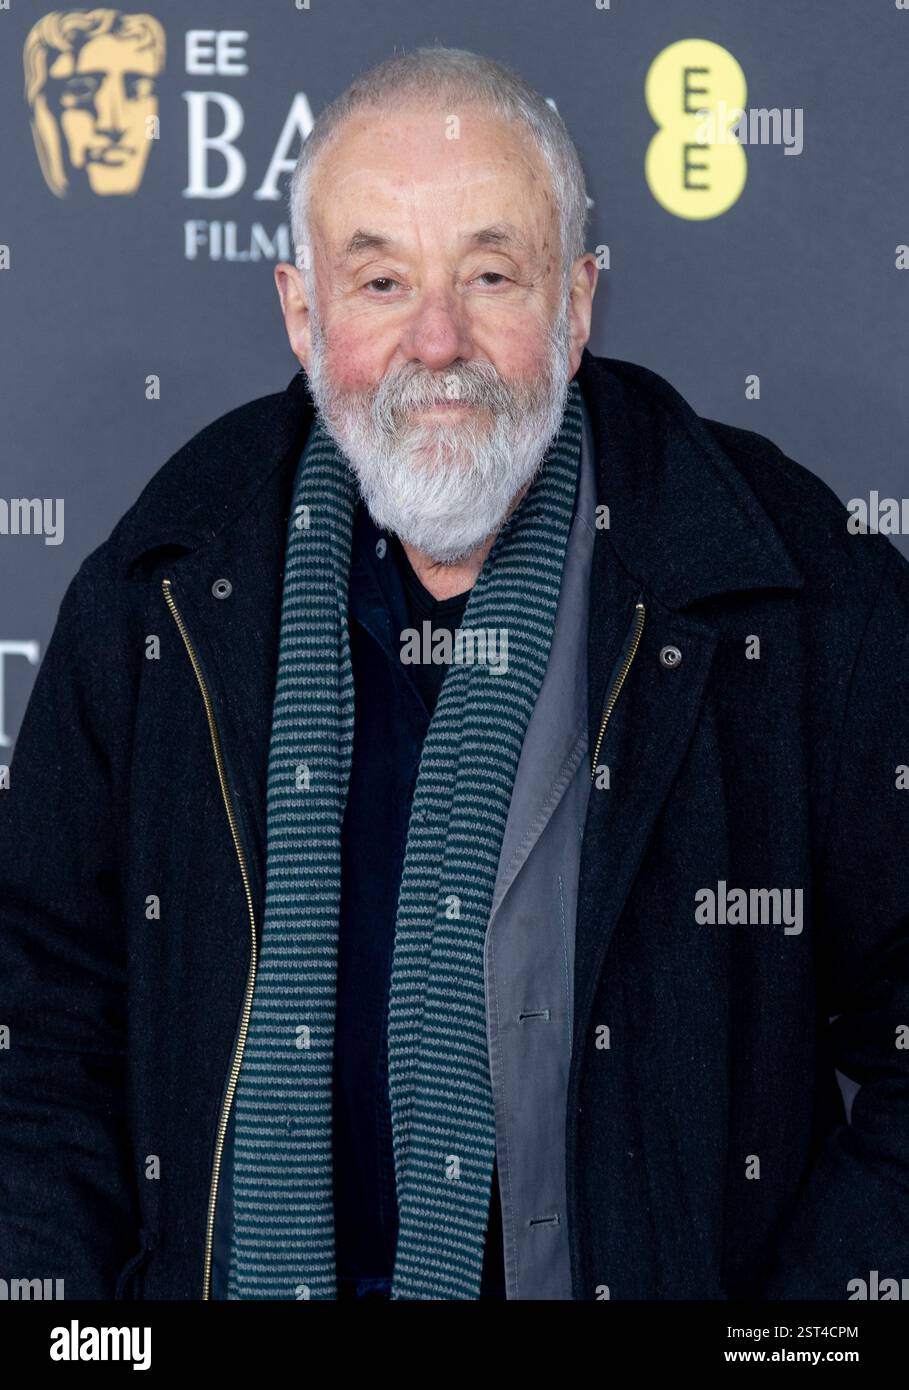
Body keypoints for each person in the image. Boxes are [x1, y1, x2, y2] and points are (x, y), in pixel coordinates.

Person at [1, 46, 907, 1302]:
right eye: (380, 280)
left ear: (579, 302)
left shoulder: (795, 587)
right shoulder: (157, 589)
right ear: (302, 313)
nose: (440, 341)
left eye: (492, 273)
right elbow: (36, 1036)